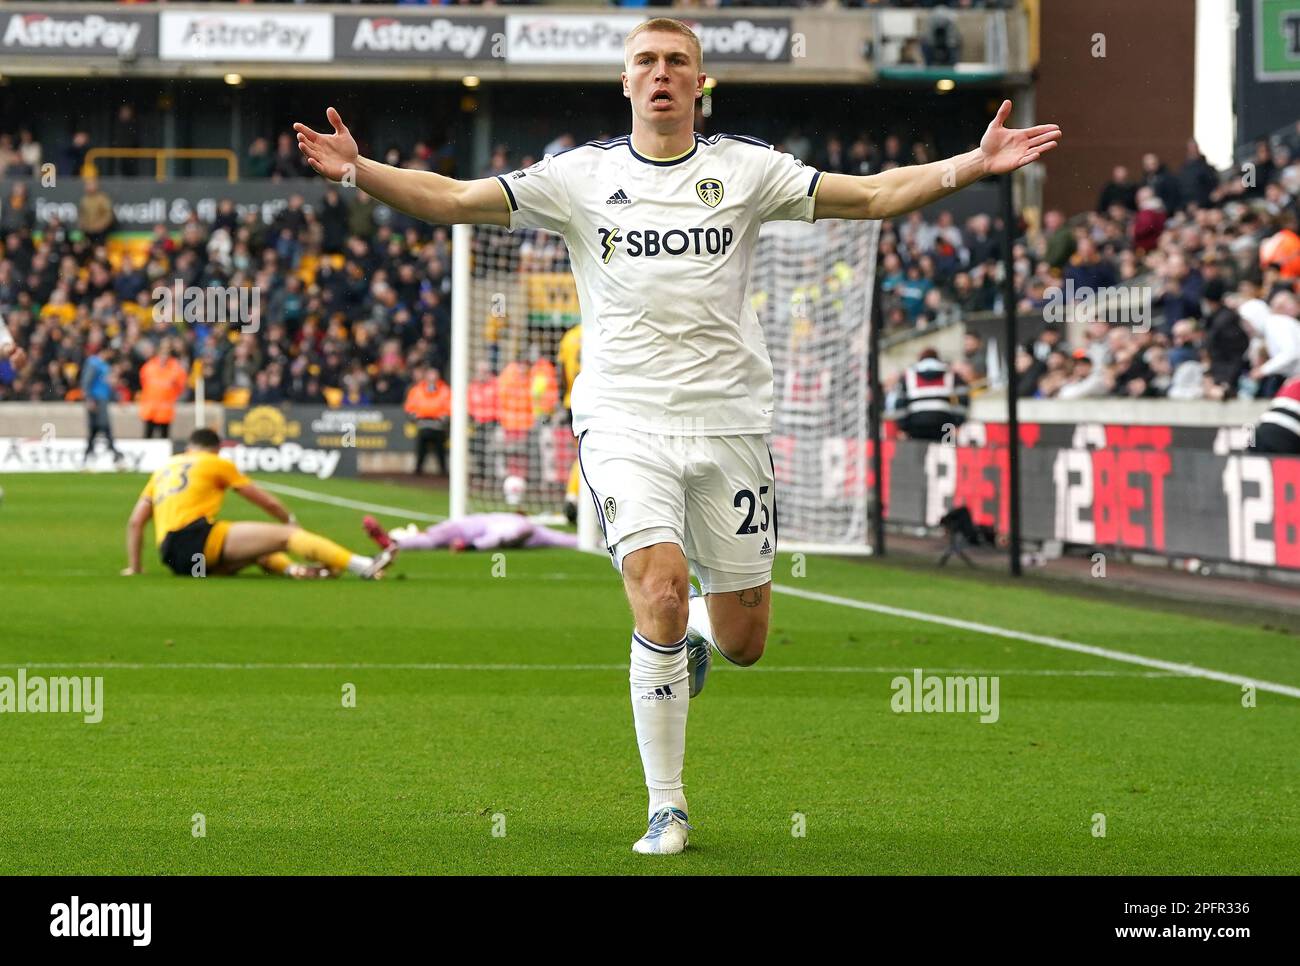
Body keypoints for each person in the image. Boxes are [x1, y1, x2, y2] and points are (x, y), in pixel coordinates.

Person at [293, 16, 1061, 855]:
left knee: (743, 642)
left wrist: (973, 165)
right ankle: (668, 806)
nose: (661, 73)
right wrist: (361, 171)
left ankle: (698, 630)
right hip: (624, 419)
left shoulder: (748, 169)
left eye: (677, 62)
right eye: (646, 62)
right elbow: (454, 199)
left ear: (701, 83)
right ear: (626, 83)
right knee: (657, 591)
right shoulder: (579, 177)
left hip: (731, 423)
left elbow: (872, 194)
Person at [123, 428, 397, 579]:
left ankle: (295, 570)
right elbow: (261, 498)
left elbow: (136, 522)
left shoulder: (164, 469)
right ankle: (363, 566)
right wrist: (288, 522)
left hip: (173, 557)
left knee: (256, 548)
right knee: (285, 537)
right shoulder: (215, 463)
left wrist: (135, 567)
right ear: (216, 448)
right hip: (195, 540)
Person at [362, 513, 578, 554]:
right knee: (432, 537)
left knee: (434, 539)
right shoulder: (532, 528)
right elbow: (565, 539)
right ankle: (394, 541)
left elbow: (496, 538)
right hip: (471, 526)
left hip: (468, 528)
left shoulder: (520, 527)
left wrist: (471, 547)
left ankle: (392, 542)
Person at [81, 345, 123, 466]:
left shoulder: (105, 366)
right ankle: (115, 455)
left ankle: (88, 455)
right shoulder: (94, 363)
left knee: (96, 429)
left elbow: (107, 385)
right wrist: (89, 398)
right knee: (104, 426)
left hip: (103, 399)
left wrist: (115, 396)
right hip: (96, 399)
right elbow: (86, 381)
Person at [404, 366, 451, 476]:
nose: (432, 377)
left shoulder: (445, 390)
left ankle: (443, 470)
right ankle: (418, 469)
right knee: (421, 446)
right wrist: (416, 417)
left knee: (440, 448)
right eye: (430, 374)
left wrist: (443, 418)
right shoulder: (417, 390)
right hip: (422, 423)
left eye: (434, 374)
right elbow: (409, 407)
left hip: (439, 424)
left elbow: (449, 407)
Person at [138, 339, 187, 439]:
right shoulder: (149, 367)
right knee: (148, 436)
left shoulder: (175, 368)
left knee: (164, 438)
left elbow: (181, 386)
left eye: (166, 353)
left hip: (165, 410)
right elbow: (143, 383)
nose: (163, 356)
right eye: (162, 353)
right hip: (150, 409)